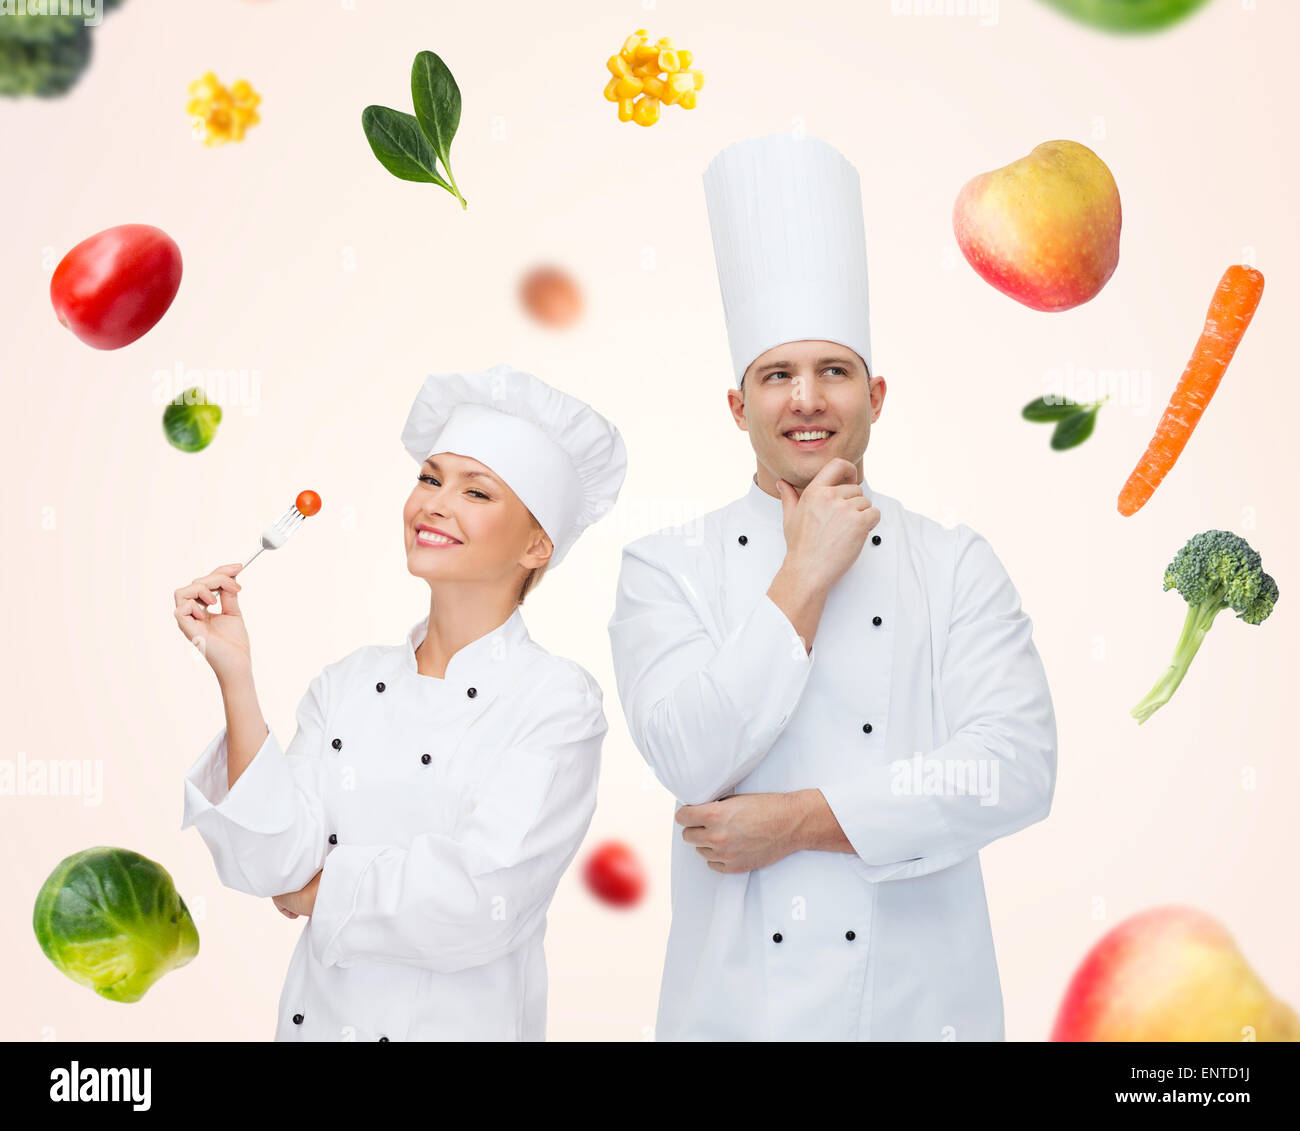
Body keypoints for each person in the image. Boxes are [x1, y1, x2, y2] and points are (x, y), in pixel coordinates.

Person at [607, 131, 1058, 1041]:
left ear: (875, 395)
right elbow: (689, 758)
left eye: (833, 371)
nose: (806, 399)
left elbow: (1014, 767)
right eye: (777, 374)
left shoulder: (954, 561)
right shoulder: (665, 567)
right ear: (739, 407)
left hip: (921, 1007)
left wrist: (803, 821)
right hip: (734, 1012)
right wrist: (805, 571)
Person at [175, 363, 627, 1041]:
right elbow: (264, 861)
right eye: (429, 478)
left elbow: (478, 900)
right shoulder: (348, 683)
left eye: (476, 491)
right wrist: (235, 674)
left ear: (538, 545)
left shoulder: (557, 701)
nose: (434, 504)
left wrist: (317, 891)